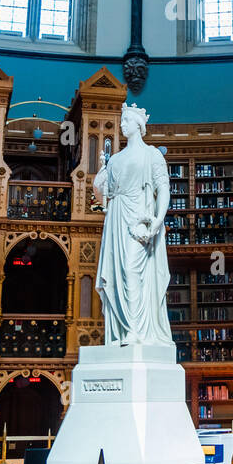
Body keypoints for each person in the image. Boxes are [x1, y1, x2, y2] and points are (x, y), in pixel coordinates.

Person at [93, 103, 173, 347]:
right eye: (121, 121)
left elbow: (164, 189)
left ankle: (136, 329)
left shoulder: (152, 155)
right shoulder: (115, 159)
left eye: (126, 120)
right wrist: (100, 179)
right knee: (115, 276)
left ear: (139, 125)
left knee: (131, 268)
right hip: (116, 218)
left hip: (139, 218)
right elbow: (102, 194)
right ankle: (121, 332)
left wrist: (158, 221)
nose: (121, 124)